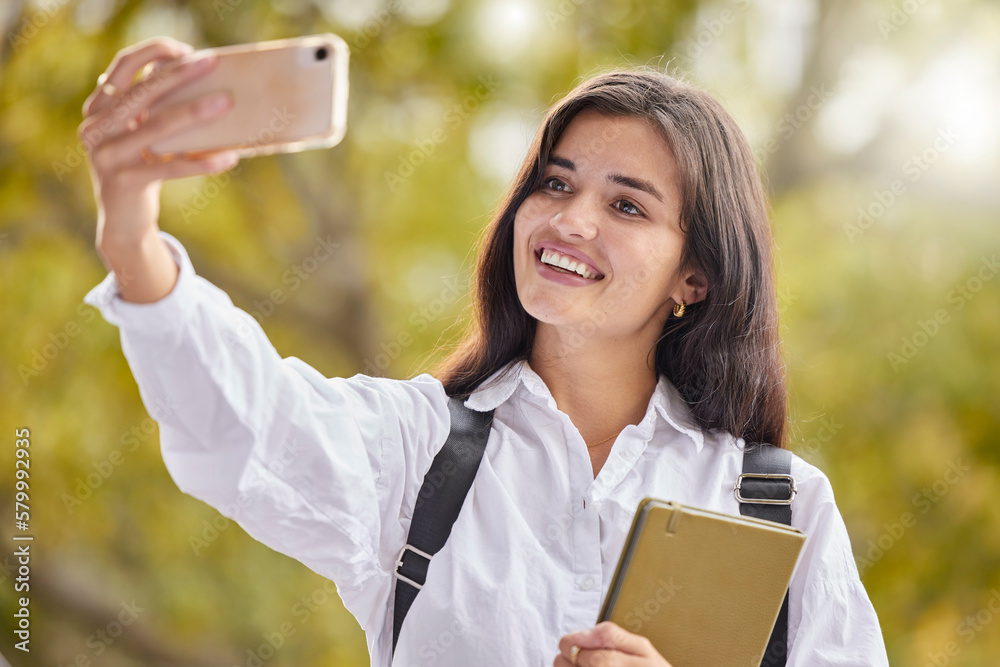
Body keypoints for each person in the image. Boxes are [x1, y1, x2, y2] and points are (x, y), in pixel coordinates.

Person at [80, 36, 890, 666]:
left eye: (627, 205)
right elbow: (246, 424)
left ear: (695, 278)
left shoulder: (780, 508)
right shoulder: (422, 453)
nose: (571, 221)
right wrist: (132, 239)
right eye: (556, 183)